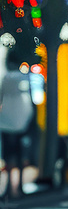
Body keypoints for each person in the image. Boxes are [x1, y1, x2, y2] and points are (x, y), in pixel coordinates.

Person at [0, 54, 36, 199]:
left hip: (6, 120)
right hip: (22, 119)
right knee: (21, 154)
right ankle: (19, 186)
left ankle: (9, 187)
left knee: (9, 156)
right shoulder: (23, 77)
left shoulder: (6, 78)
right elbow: (30, 97)